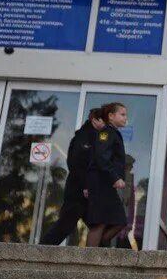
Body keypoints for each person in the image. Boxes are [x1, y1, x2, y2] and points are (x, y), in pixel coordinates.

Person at [39, 108, 105, 246]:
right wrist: (85, 186)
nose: (106, 124)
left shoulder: (95, 137)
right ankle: (39, 251)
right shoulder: (83, 137)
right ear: (95, 120)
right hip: (78, 193)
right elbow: (76, 165)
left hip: (86, 194)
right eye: (103, 120)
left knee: (99, 227)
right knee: (66, 226)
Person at [85, 102, 129, 248]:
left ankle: (100, 248)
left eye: (125, 115)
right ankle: (87, 261)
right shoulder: (106, 132)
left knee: (120, 220)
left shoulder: (112, 133)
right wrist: (115, 177)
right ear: (111, 116)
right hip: (100, 182)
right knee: (100, 221)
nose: (125, 118)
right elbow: (101, 157)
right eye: (122, 114)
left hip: (105, 184)